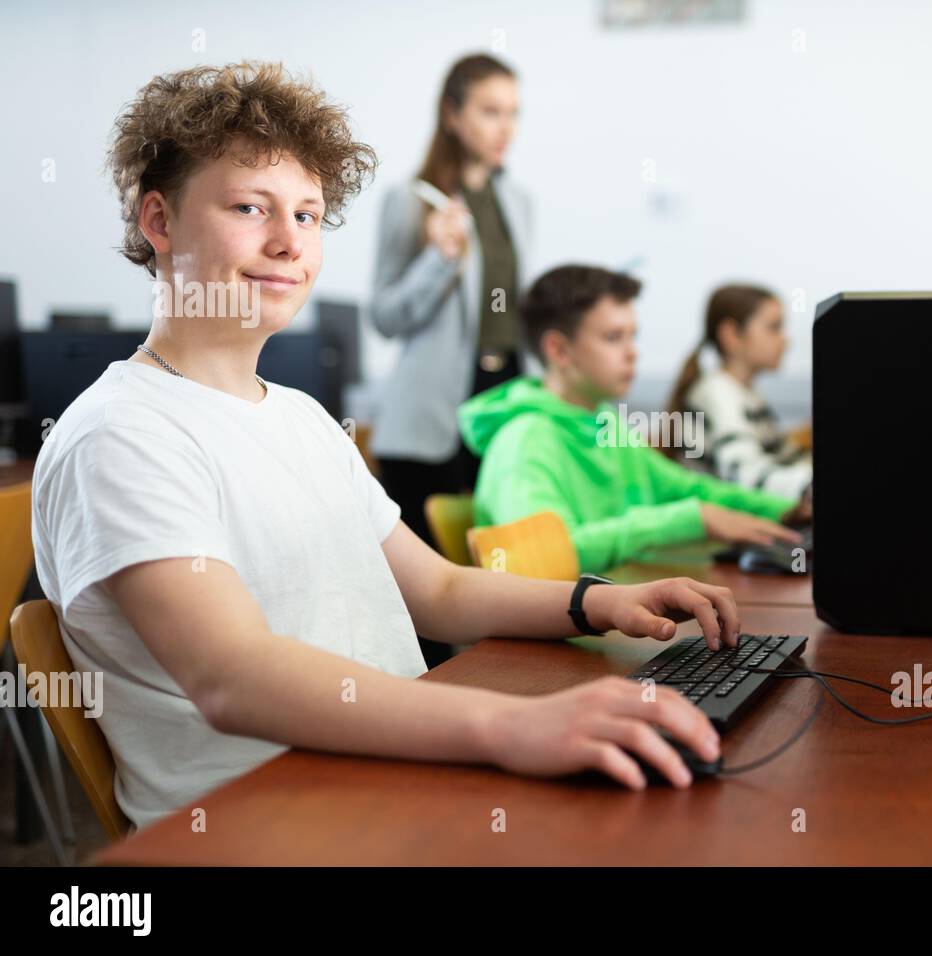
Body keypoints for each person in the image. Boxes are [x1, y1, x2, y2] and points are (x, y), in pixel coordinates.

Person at [30, 62, 735, 830]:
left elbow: (439, 591)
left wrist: (599, 601)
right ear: (159, 222)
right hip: (266, 824)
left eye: (307, 216)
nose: (286, 243)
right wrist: (507, 726)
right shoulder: (121, 435)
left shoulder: (299, 416)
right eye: (249, 207)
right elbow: (233, 678)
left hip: (389, 779)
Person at [459, 265, 809, 574]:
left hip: (608, 614)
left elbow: (688, 490)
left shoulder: (603, 424)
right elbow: (545, 559)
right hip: (544, 642)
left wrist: (789, 509)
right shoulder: (524, 442)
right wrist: (689, 519)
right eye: (613, 337)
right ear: (559, 350)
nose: (633, 351)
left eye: (633, 335)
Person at [369, 53, 531, 548]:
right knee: (435, 600)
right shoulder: (412, 199)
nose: (506, 127)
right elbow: (385, 316)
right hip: (430, 420)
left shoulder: (518, 202)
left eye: (513, 112)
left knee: (501, 573)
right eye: (490, 111)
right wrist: (439, 259)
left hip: (500, 399)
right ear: (452, 115)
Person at [666, 283, 812, 501]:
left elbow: (784, 457)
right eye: (774, 327)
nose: (785, 339)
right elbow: (748, 479)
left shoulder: (745, 393)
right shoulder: (717, 394)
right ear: (731, 335)